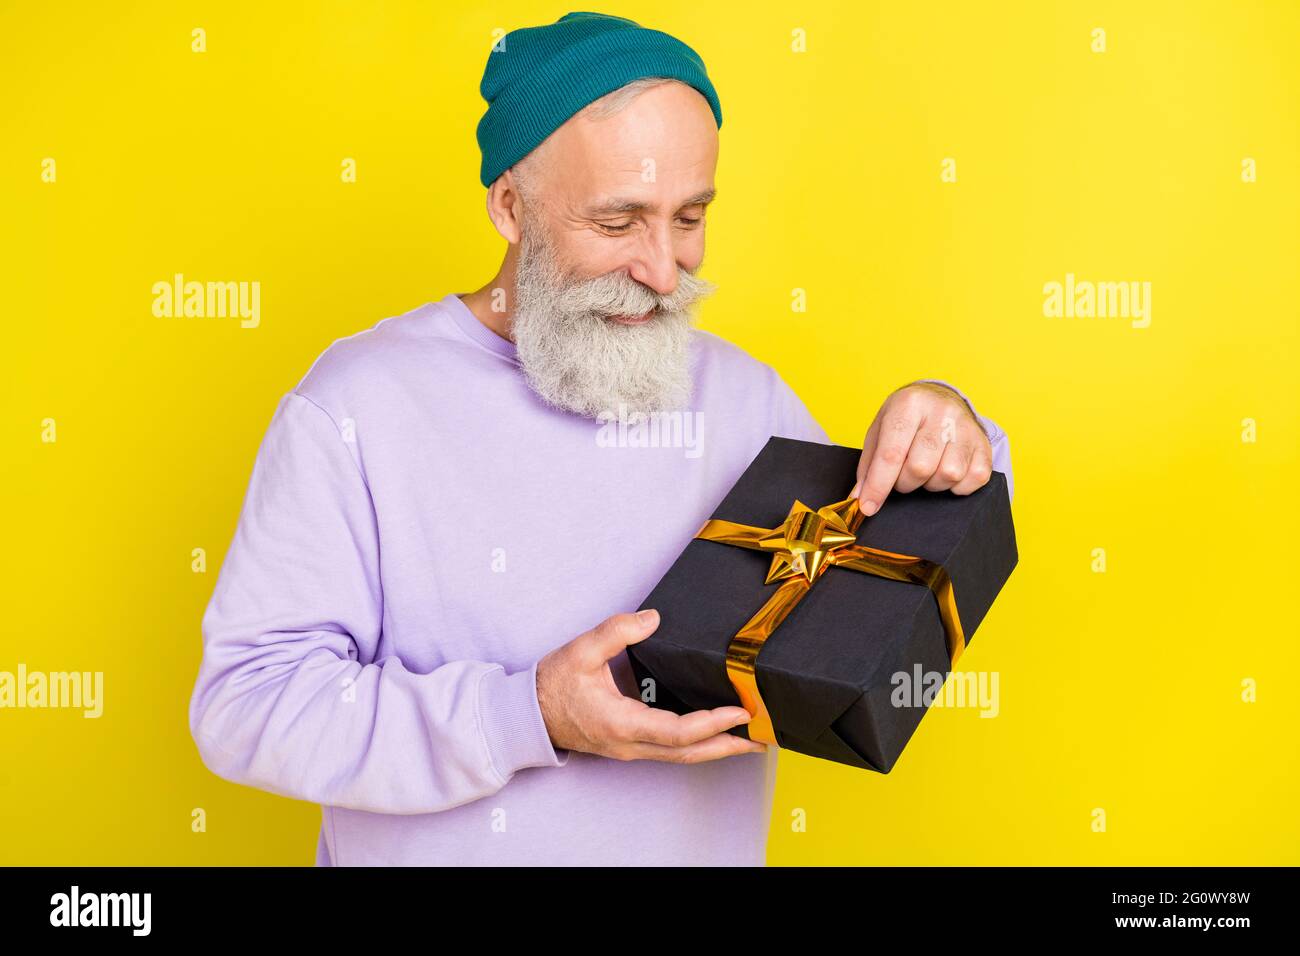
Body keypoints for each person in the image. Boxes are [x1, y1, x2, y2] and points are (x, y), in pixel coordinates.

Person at [188, 11, 1014, 865]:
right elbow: (248, 706)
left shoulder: (739, 396)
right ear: (511, 207)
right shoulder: (358, 404)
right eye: (618, 224)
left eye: (689, 218)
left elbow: (906, 569)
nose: (664, 271)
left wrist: (949, 423)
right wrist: (532, 714)